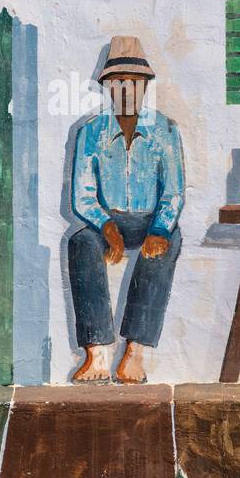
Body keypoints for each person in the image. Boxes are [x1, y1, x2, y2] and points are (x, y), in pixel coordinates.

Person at [67, 36, 185, 384]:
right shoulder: (90, 132)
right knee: (80, 242)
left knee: (168, 243)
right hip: (107, 219)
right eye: (117, 83)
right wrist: (106, 226)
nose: (125, 90)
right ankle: (97, 352)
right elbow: (82, 195)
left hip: (150, 219)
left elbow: (174, 193)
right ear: (107, 87)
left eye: (133, 83)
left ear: (145, 86)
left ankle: (134, 352)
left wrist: (159, 230)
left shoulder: (165, 130)